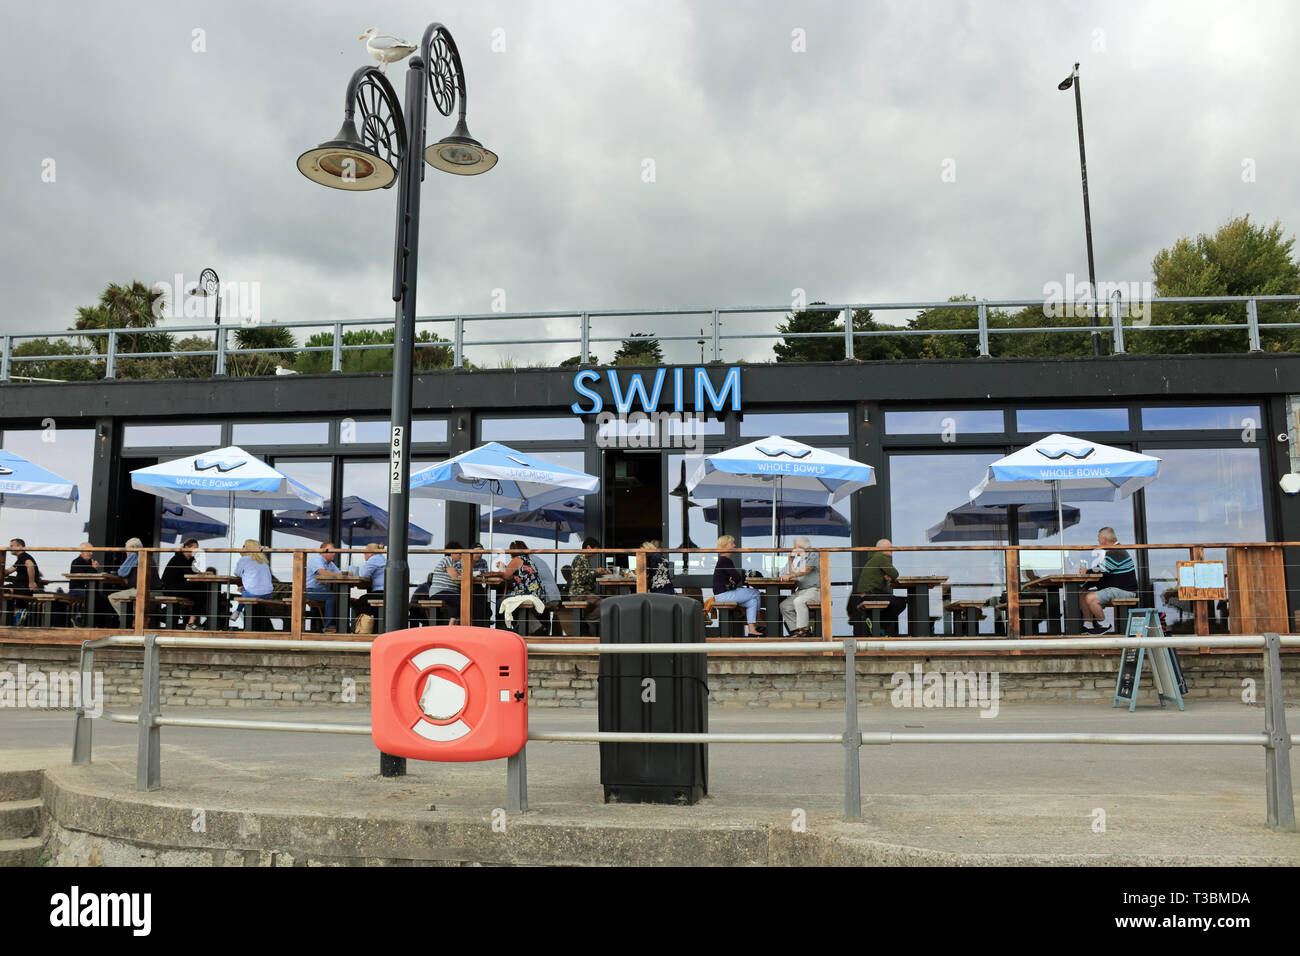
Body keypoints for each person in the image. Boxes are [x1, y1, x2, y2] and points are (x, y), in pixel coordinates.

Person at [1080, 526, 1138, 635]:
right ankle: (1088, 625)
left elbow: (1101, 570)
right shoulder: (1113, 552)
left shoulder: (1116, 552)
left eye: (1099, 539)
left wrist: (1086, 571)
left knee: (1090, 598)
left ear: (1104, 539)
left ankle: (1105, 625)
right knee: (1083, 593)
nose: (1098, 542)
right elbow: (1101, 571)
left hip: (1125, 590)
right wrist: (1086, 585)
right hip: (1116, 588)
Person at [849, 538, 907, 636]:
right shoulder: (880, 557)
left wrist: (886, 576)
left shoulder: (875, 558)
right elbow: (895, 573)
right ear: (883, 548)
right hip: (870, 593)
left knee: (894, 600)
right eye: (890, 547)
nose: (893, 549)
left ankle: (876, 623)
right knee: (900, 602)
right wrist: (889, 576)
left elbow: (886, 575)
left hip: (868, 592)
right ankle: (879, 625)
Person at [711, 535, 763, 636]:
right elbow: (737, 577)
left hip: (721, 594)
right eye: (732, 543)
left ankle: (752, 630)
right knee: (756, 593)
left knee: (752, 601)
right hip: (724, 595)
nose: (734, 545)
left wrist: (732, 580)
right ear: (726, 546)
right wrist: (733, 580)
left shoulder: (722, 560)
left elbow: (733, 577)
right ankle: (759, 620)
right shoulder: (725, 560)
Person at [108, 538, 161, 629]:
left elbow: (121, 572)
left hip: (143, 591)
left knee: (113, 597)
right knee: (129, 599)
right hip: (156, 591)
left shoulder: (134, 554)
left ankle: (132, 620)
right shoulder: (148, 556)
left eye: (126, 549)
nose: (126, 552)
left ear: (132, 547)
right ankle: (140, 618)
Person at [497, 540, 544, 631]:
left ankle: (516, 626)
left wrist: (501, 567)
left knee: (500, 601)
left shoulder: (517, 559)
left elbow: (506, 575)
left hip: (527, 592)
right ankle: (533, 627)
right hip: (536, 592)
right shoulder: (527, 559)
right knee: (509, 601)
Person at [778, 537, 820, 637]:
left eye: (795, 547)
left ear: (802, 547)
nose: (793, 549)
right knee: (784, 606)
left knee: (799, 601)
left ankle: (805, 630)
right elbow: (795, 573)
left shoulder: (813, 554)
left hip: (814, 590)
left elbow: (806, 570)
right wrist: (790, 560)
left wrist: (791, 575)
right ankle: (796, 631)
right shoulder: (802, 558)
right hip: (801, 590)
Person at [160, 538, 203, 630]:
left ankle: (191, 622)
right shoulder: (179, 558)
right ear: (186, 547)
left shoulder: (190, 560)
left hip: (178, 587)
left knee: (201, 590)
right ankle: (191, 623)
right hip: (169, 588)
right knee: (201, 588)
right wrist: (201, 574)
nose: (196, 551)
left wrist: (202, 573)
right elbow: (189, 573)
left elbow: (194, 571)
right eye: (195, 548)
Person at [422, 540, 466, 625]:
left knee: (463, 600)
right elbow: (455, 577)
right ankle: (451, 625)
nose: (460, 555)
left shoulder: (457, 565)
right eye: (458, 553)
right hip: (440, 591)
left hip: (449, 592)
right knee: (462, 600)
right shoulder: (448, 559)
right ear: (451, 553)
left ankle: (454, 624)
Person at [567, 537, 605, 630]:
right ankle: (586, 621)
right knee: (602, 604)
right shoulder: (580, 558)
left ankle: (585, 623)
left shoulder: (585, 559)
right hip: (579, 593)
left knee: (601, 603)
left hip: (585, 593)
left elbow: (586, 577)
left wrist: (600, 573)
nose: (596, 553)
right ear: (588, 547)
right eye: (596, 550)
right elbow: (579, 579)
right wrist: (596, 572)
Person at [306, 541, 343, 633]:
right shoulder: (316, 560)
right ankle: (329, 626)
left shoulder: (330, 563)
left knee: (341, 596)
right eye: (332, 551)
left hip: (320, 590)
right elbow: (322, 572)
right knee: (331, 596)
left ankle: (341, 626)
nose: (334, 553)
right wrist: (341, 575)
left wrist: (346, 574)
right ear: (323, 552)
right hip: (309, 590)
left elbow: (339, 574)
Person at [352, 542, 386, 621]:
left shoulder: (373, 559)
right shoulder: (382, 558)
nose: (364, 555)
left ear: (370, 553)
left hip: (381, 592)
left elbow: (364, 575)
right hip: (386, 592)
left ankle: (365, 626)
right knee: (366, 600)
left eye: (365, 552)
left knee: (360, 601)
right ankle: (374, 624)